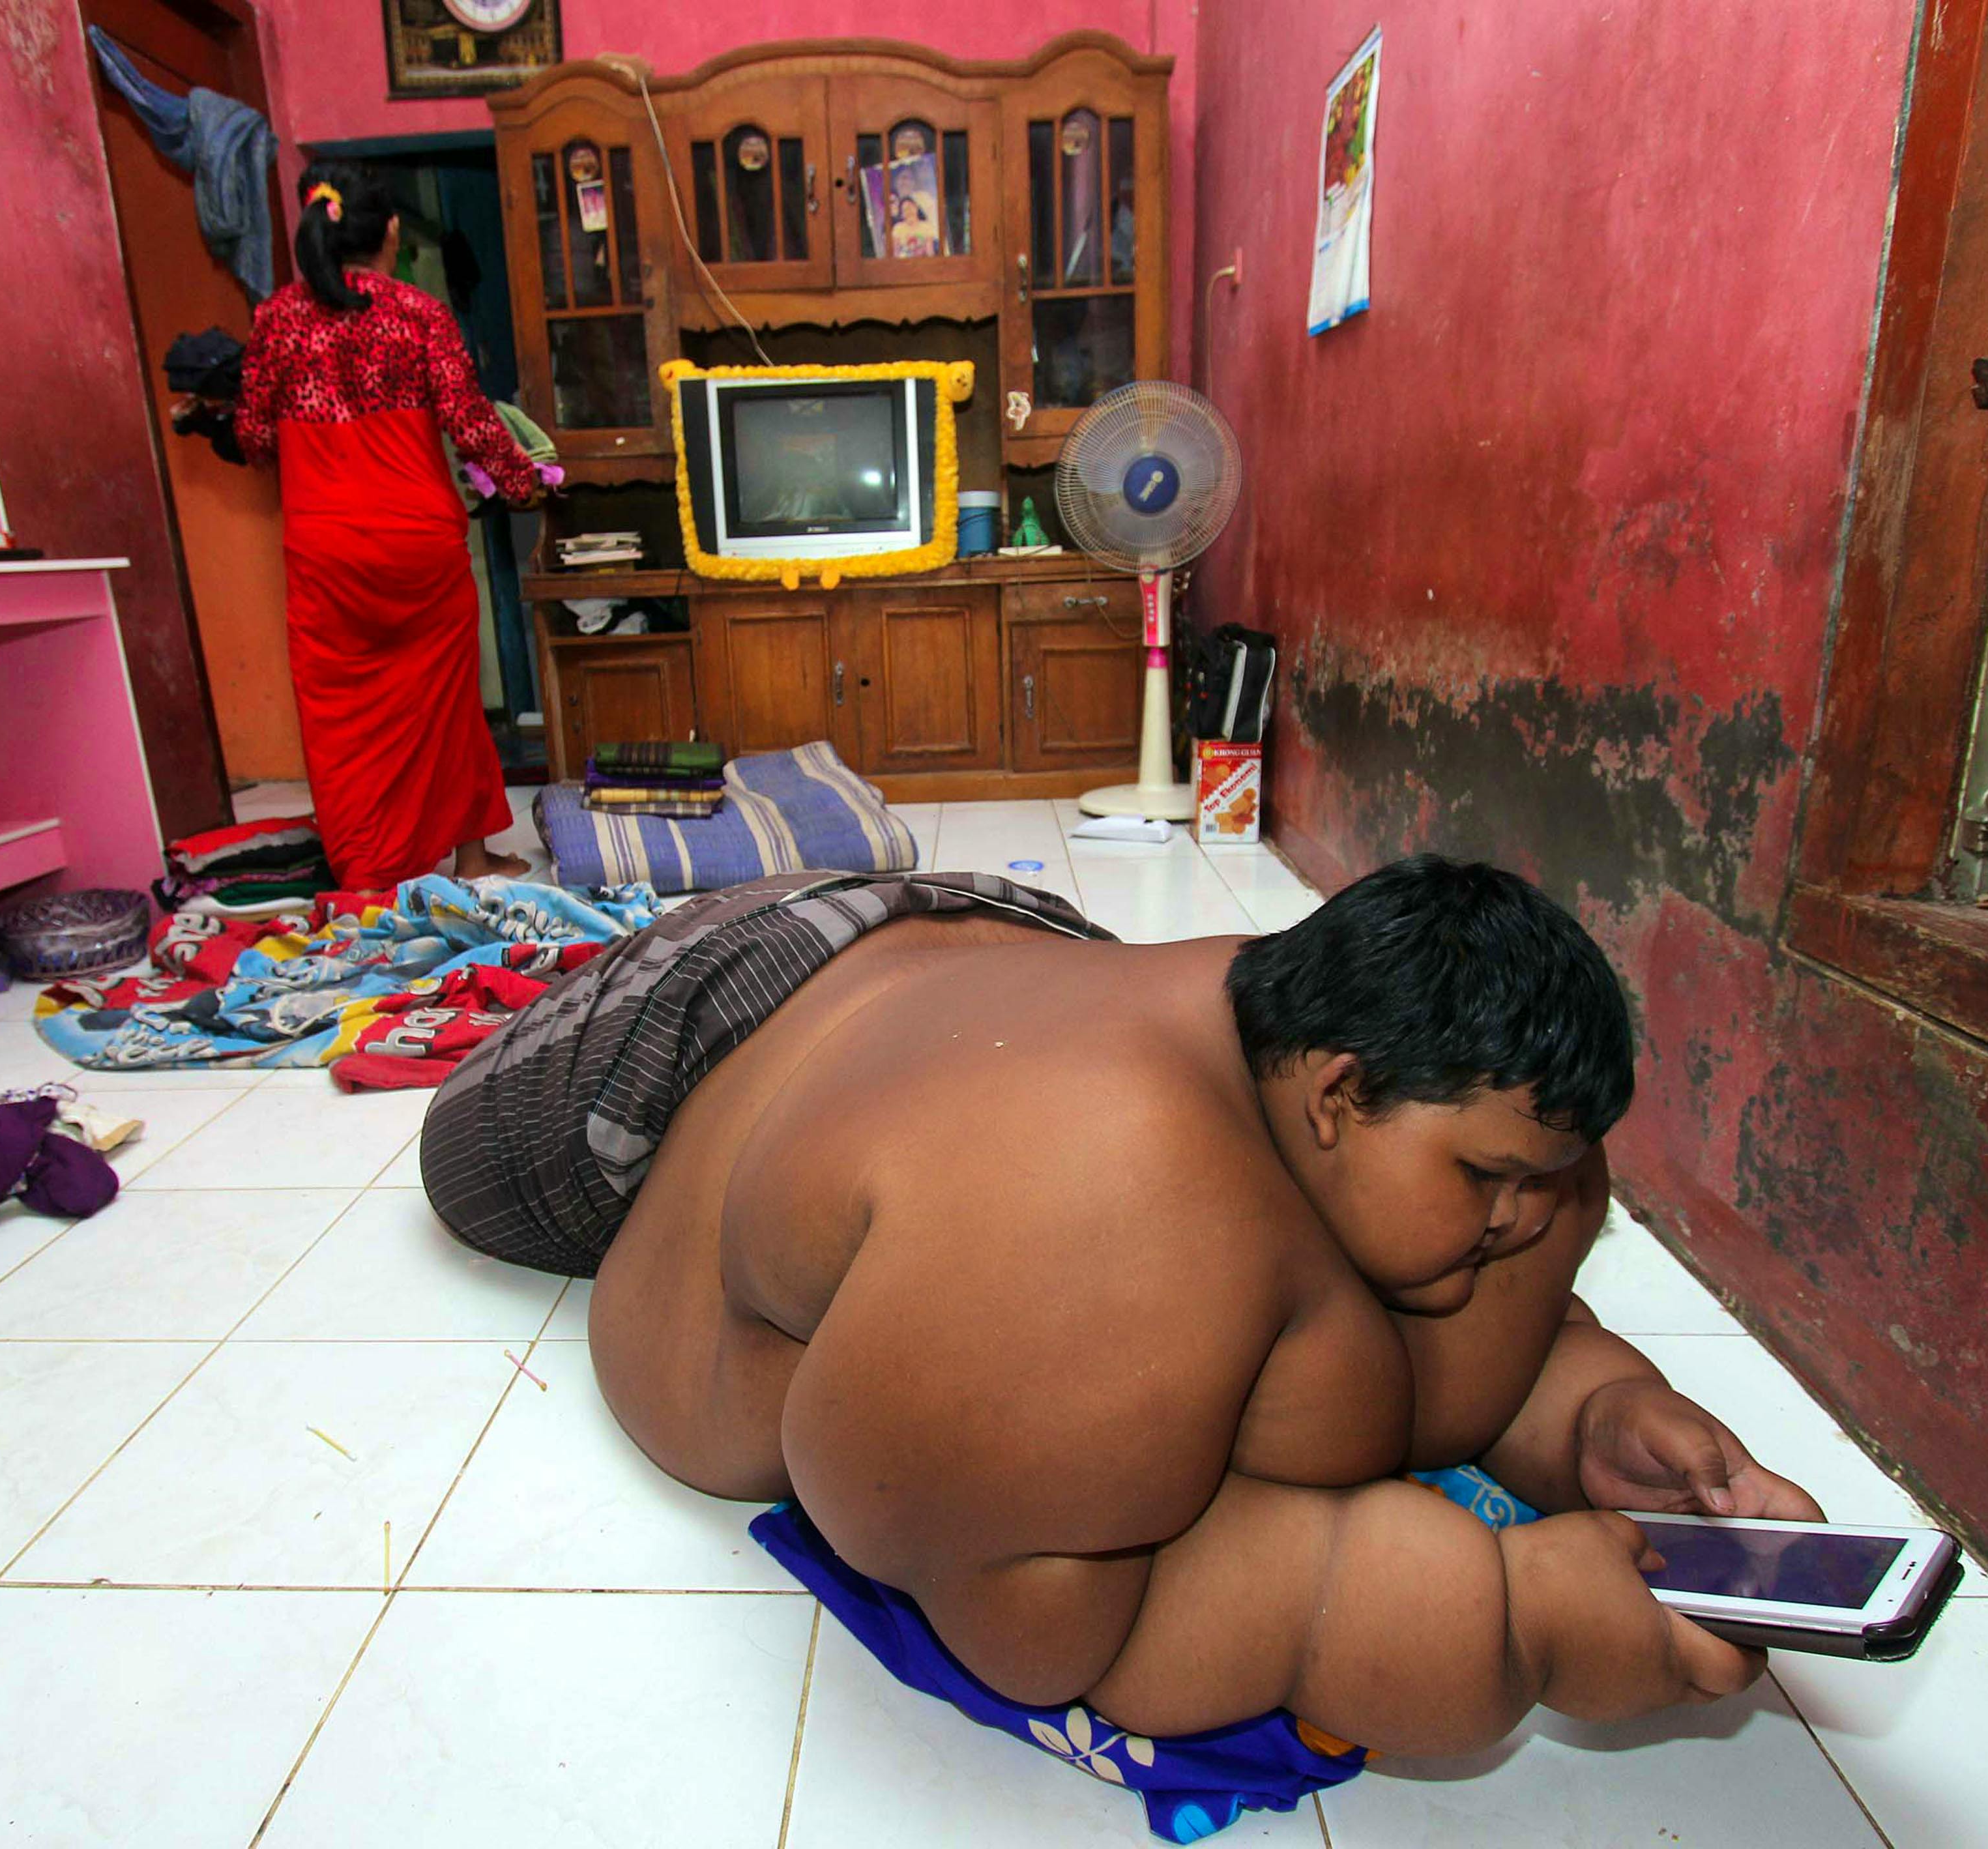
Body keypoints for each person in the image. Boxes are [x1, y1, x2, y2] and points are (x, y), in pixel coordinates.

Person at [420, 858, 1825, 1757]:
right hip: (724, 1000)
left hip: (1014, 943)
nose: (1524, 1216)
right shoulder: (1098, 1209)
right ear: (1338, 1095)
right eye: (1487, 1179)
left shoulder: (1450, 1140)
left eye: (1544, 1183)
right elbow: (1036, 1621)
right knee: (456, 1159)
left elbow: (1491, 1341)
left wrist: (1600, 1413)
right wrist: (1507, 1616)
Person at [237, 161, 542, 889]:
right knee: (448, 705)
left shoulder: (278, 320)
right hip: (417, 546)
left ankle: (367, 874)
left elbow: (253, 436)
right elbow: (471, 423)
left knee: (342, 719)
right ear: (392, 231)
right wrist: (523, 482)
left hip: (325, 551)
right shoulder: (418, 313)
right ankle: (472, 858)